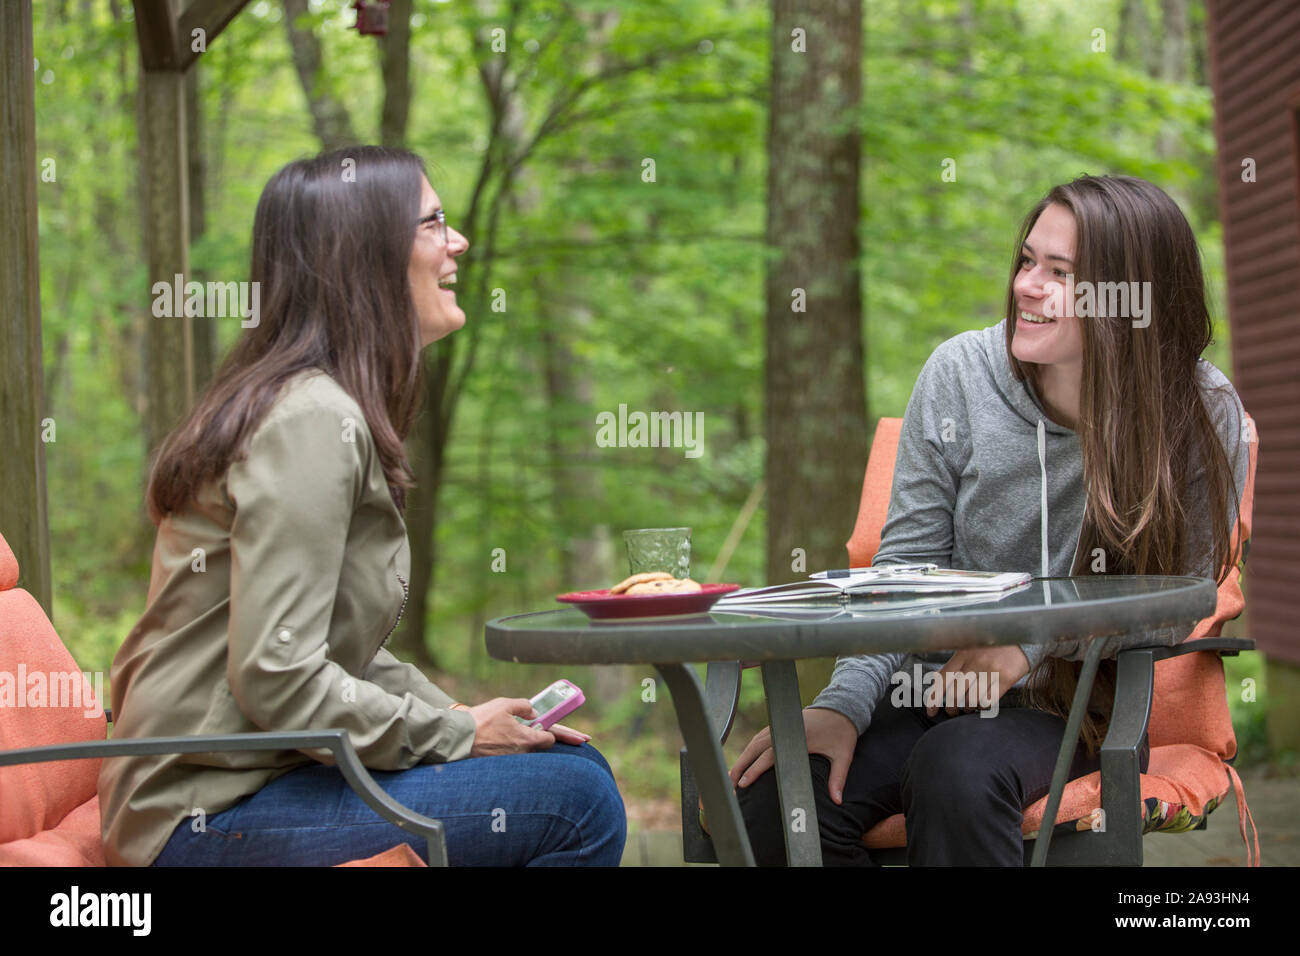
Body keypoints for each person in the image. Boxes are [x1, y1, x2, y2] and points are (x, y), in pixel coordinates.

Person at [98, 146, 626, 867]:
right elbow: (278, 678)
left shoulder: (318, 407)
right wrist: (456, 735)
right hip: (202, 818)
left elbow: (331, 657)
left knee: (575, 772)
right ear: (366, 257)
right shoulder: (309, 419)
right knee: (573, 801)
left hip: (251, 785)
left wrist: (456, 718)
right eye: (434, 222)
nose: (458, 241)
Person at [730, 174, 1252, 866]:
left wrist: (1029, 640)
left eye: (1060, 273)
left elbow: (1179, 602)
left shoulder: (1199, 409)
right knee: (782, 794)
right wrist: (843, 704)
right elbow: (902, 571)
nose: (1027, 286)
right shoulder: (960, 375)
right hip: (927, 688)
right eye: (1027, 261)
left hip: (1074, 704)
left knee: (957, 771)